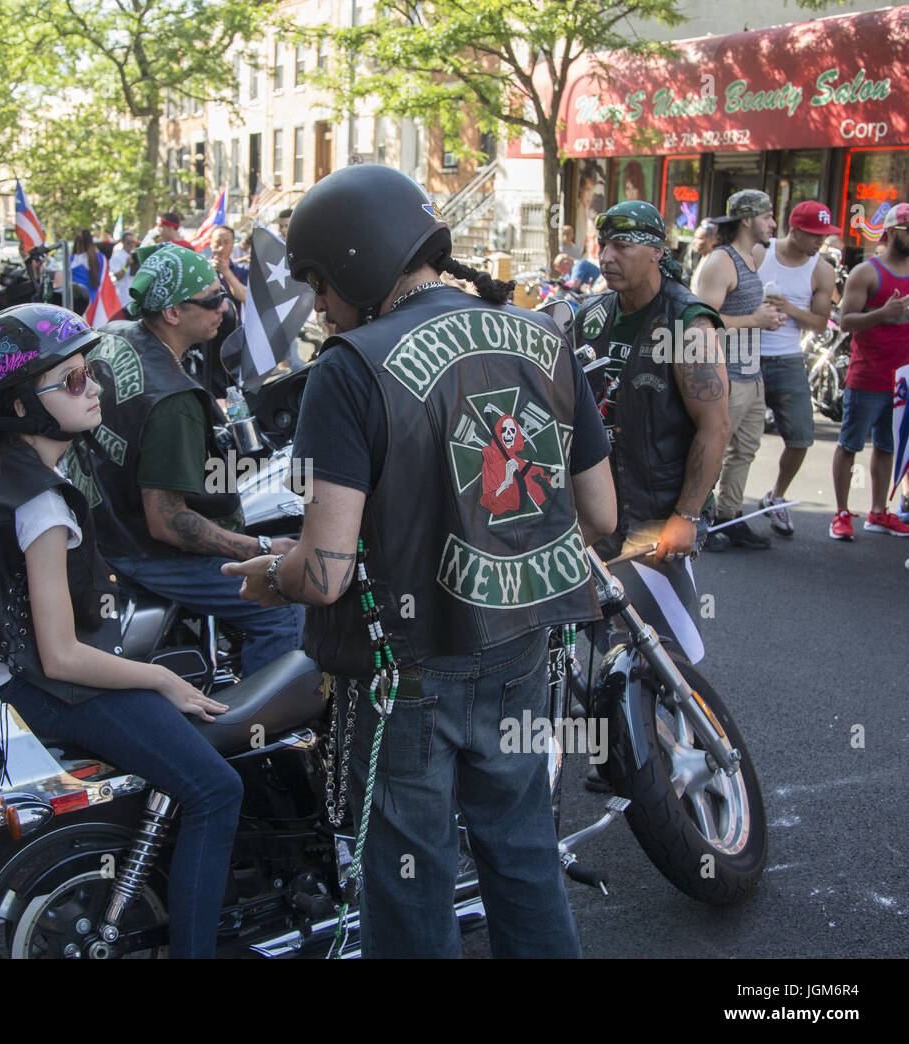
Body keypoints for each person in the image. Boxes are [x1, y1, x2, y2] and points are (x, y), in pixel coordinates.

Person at [221, 164, 617, 958]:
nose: (320, 303)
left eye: (321, 282)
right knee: (522, 852)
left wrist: (272, 576)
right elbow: (602, 516)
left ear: (359, 260)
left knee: (410, 880)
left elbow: (326, 571)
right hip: (521, 648)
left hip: (403, 672)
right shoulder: (545, 335)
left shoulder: (348, 366)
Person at [0, 303, 241, 957]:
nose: (94, 387)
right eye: (72, 380)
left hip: (2, 681)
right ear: (22, 407)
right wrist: (159, 679)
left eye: (90, 373)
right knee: (217, 788)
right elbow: (60, 655)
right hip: (49, 686)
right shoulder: (44, 504)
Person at [73, 243, 304, 676]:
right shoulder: (173, 400)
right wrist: (267, 549)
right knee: (282, 605)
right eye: (212, 300)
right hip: (141, 550)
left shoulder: (112, 335)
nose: (224, 308)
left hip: (102, 526)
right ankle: (263, 727)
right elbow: (168, 523)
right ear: (173, 313)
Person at [570, 200, 729, 664]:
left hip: (657, 514)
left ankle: (677, 735)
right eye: (604, 245)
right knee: (606, 640)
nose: (606, 258)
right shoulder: (592, 314)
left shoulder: (688, 322)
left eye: (622, 246)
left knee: (660, 649)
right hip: (598, 507)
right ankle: (624, 733)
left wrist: (687, 515)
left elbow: (714, 427)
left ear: (658, 251)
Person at [693, 190, 782, 550]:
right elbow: (700, 323)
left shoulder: (753, 256)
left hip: (751, 374)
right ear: (747, 219)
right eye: (768, 216)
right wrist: (755, 319)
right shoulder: (720, 261)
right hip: (723, 374)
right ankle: (698, 520)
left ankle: (729, 519)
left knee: (744, 451)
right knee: (712, 449)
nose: (774, 223)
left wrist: (765, 317)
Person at [754, 200, 840, 537]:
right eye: (815, 234)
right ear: (796, 230)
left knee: (802, 436)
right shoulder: (762, 254)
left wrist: (790, 308)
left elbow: (821, 323)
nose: (821, 241)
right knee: (732, 436)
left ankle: (775, 497)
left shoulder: (822, 269)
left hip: (788, 358)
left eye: (825, 234)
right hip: (749, 354)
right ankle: (721, 505)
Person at [829, 202, 909, 539]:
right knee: (850, 444)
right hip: (868, 375)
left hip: (902, 379)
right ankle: (841, 513)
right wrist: (883, 312)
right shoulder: (867, 272)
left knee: (889, 446)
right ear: (890, 232)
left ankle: (878, 512)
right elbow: (846, 320)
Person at [209, 225, 248, 304]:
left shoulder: (242, 271)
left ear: (232, 245)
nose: (221, 248)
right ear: (211, 243)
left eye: (226, 243)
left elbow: (246, 297)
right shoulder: (201, 269)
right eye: (218, 242)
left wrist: (227, 273)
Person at [69, 228, 105, 298]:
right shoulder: (100, 258)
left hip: (76, 301)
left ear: (76, 243)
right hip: (94, 301)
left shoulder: (72, 259)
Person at [108, 231, 139, 306]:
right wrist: (126, 266)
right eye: (129, 242)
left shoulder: (137, 254)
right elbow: (118, 277)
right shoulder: (116, 257)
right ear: (123, 242)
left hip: (136, 296)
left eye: (133, 242)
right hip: (123, 297)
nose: (131, 245)